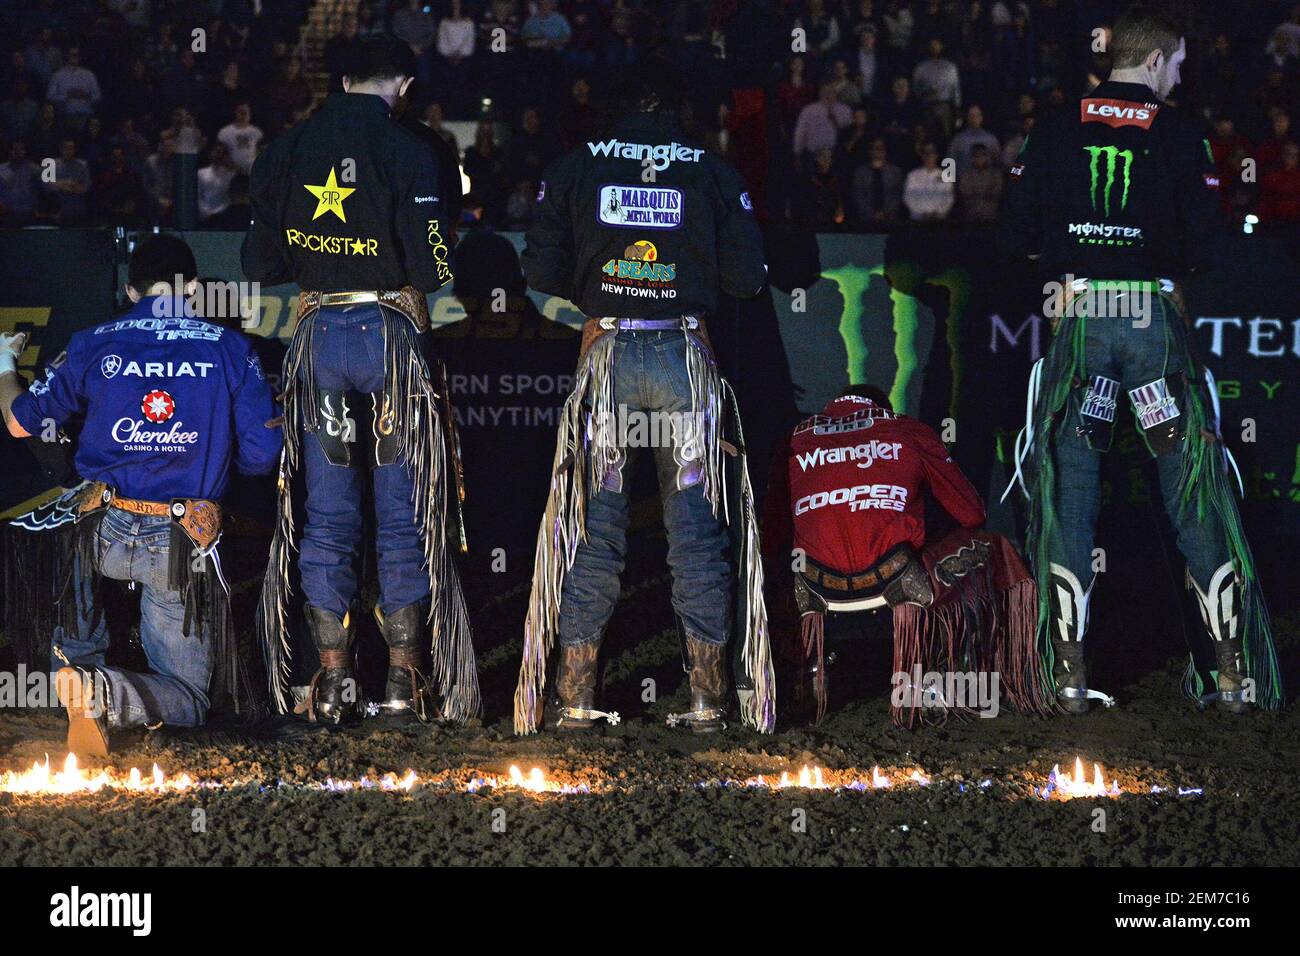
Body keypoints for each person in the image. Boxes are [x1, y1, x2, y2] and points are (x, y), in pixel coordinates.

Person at [1000, 4, 1282, 715]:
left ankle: (1064, 676)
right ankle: (1232, 676)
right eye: (1179, 66)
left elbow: (1018, 234)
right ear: (1154, 61)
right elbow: (1207, 251)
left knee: (1070, 491)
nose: (1180, 79)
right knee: (1192, 485)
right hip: (1152, 322)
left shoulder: (1055, 127)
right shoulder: (1183, 134)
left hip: (1085, 323)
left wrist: (1072, 260)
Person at [514, 59, 774, 736]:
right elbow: (748, 277)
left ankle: (572, 700)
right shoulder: (711, 169)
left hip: (608, 359)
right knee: (695, 531)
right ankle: (711, 701)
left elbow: (536, 266)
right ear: (677, 113)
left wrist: (600, 297)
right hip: (684, 355)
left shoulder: (577, 164)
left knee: (595, 529)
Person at [242, 35, 479, 725]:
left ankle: (333, 679)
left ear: (340, 77)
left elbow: (260, 261)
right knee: (402, 512)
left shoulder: (284, 148)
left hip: (316, 338)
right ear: (403, 83)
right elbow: (435, 265)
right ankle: (404, 682)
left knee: (327, 514)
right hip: (390, 340)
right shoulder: (414, 148)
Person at [0, 235, 281, 756]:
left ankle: (79, 678)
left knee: (64, 535)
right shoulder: (232, 348)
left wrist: (2, 363)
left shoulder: (92, 341)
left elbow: (19, 423)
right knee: (191, 697)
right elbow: (264, 457)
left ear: (131, 291)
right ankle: (102, 693)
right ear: (193, 288)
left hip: (99, 527)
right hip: (179, 538)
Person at [766, 387, 1047, 724]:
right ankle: (946, 677)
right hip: (896, 575)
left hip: (813, 583)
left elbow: (771, 534)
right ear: (880, 409)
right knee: (993, 547)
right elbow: (972, 514)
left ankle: (805, 675)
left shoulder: (794, 440)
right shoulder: (907, 430)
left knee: (776, 561)